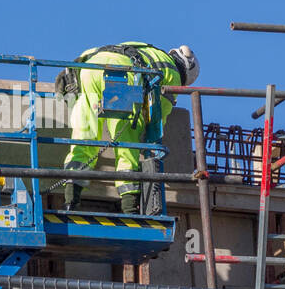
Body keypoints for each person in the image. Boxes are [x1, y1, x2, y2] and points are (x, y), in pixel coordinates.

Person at [56, 42, 199, 214]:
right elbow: (157, 120)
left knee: (84, 133)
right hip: (121, 76)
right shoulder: (173, 74)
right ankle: (129, 206)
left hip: (90, 68)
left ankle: (71, 200)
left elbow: (97, 50)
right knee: (127, 141)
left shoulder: (147, 49)